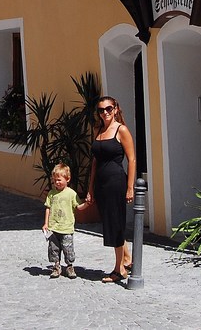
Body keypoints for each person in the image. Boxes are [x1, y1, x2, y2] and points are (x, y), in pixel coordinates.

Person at [84, 95, 136, 283]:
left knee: (115, 223)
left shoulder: (121, 130)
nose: (105, 112)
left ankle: (119, 269)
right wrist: (90, 188)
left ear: (115, 109)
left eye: (108, 109)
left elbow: (132, 159)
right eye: (101, 110)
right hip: (101, 184)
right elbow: (94, 162)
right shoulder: (98, 130)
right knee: (110, 221)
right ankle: (127, 258)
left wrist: (130, 187)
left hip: (116, 182)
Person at [42, 163, 82, 279]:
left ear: (67, 179)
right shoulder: (51, 194)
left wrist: (87, 204)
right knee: (53, 248)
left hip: (67, 227)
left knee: (68, 248)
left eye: (59, 180)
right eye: (54, 180)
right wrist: (46, 223)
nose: (57, 183)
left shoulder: (71, 193)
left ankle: (69, 266)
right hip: (53, 227)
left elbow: (78, 206)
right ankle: (56, 266)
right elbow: (48, 208)